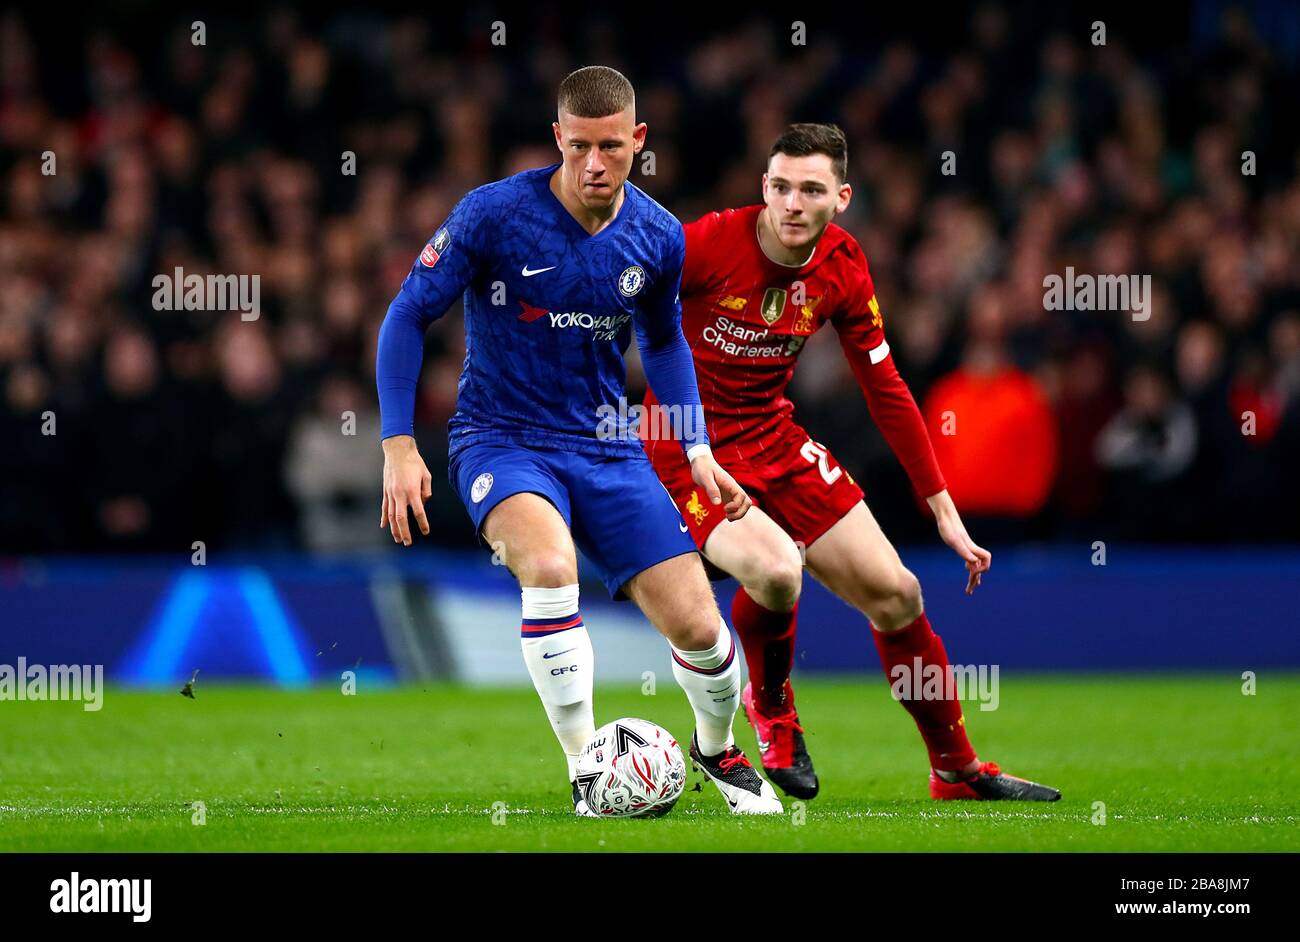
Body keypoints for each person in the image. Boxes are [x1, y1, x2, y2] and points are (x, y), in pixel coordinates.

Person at [375, 66, 782, 815]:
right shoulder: (493, 215)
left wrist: (695, 450)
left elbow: (664, 346)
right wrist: (399, 443)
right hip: (500, 439)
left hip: (607, 445)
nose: (595, 164)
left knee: (701, 627)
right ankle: (585, 768)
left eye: (612, 148)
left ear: (639, 142)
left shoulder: (657, 236)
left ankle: (719, 752)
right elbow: (405, 316)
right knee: (551, 566)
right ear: (558, 139)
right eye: (581, 147)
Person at [644, 123, 1060, 801]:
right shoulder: (708, 244)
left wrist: (944, 511)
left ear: (841, 196)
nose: (792, 203)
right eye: (780, 186)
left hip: (772, 438)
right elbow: (625, 302)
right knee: (779, 574)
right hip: (684, 446)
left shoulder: (842, 263)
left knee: (899, 594)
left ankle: (954, 769)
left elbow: (886, 387)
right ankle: (773, 710)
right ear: (763, 188)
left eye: (811, 190)